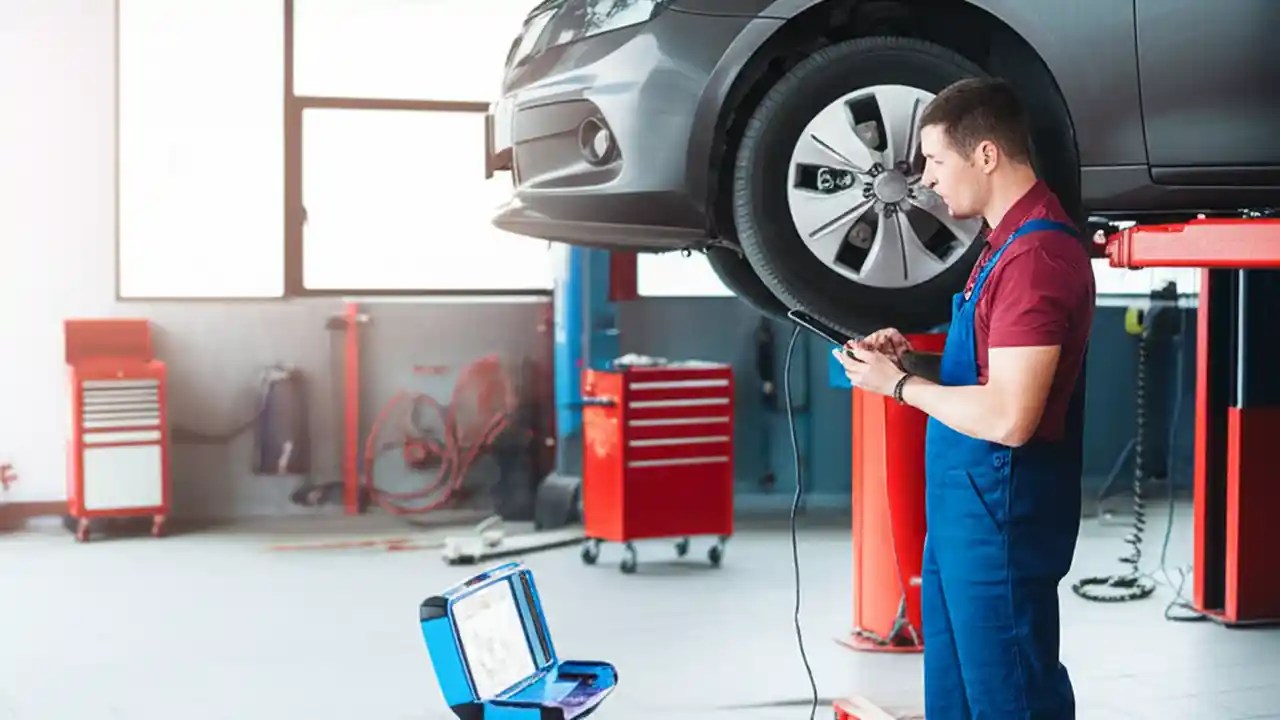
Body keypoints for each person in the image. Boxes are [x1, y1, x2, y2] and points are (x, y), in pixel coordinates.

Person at [837, 77, 1095, 719]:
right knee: (957, 698)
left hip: (1000, 516)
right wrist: (912, 362)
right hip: (966, 514)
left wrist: (898, 386)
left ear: (986, 155)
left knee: (1009, 695)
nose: (925, 177)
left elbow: (1010, 417)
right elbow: (992, 371)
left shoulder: (1036, 258)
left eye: (935, 159)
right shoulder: (1003, 244)